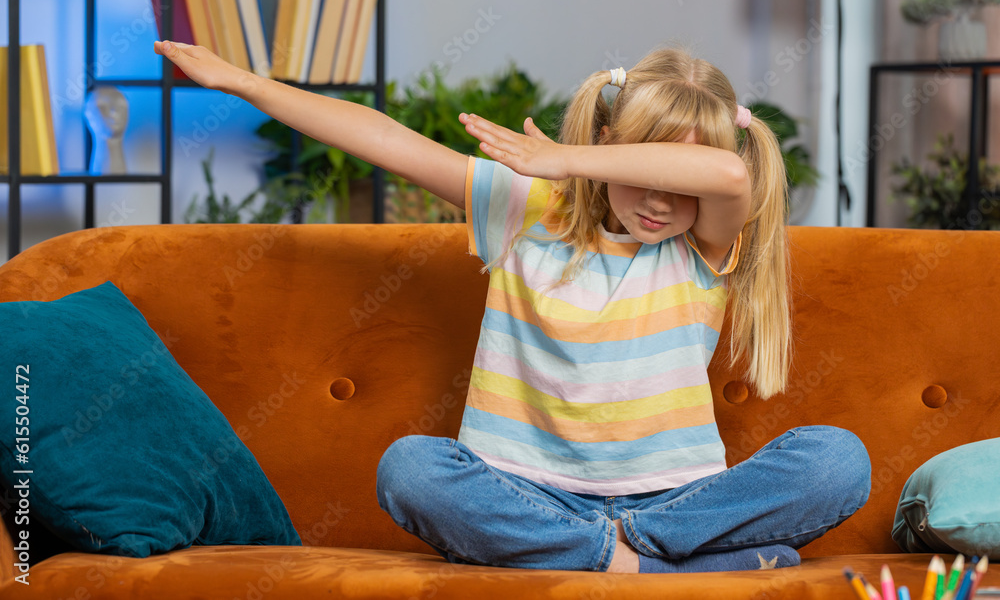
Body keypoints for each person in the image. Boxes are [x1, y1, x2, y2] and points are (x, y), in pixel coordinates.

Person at [153, 41, 870, 574]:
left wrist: (569, 160)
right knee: (411, 469)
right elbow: (387, 141)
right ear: (610, 140)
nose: (660, 201)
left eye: (672, 180)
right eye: (642, 166)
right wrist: (247, 84)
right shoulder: (525, 208)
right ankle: (642, 568)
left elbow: (726, 172)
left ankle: (631, 553)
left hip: (677, 503)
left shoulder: (704, 248)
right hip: (528, 497)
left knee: (839, 460)